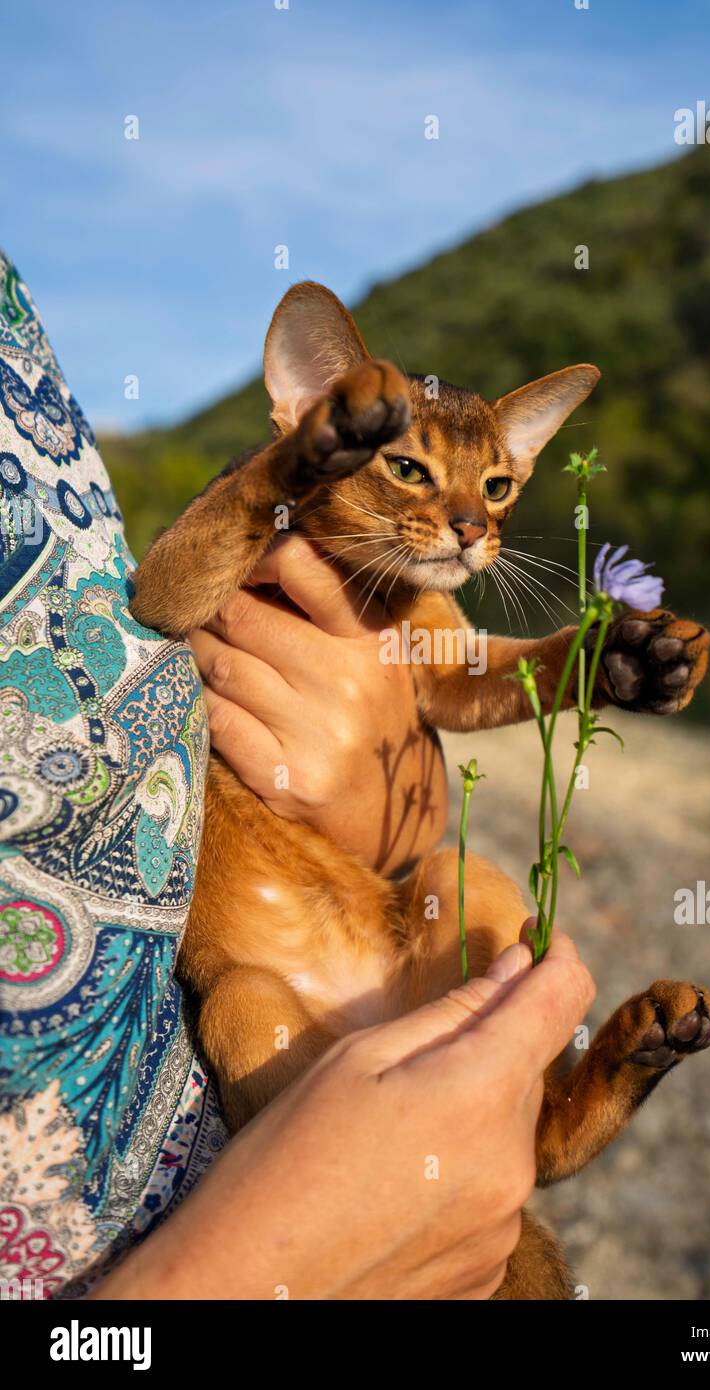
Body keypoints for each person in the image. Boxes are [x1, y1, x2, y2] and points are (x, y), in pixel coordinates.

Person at [0, 254, 594, 1300]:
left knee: (473, 889)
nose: (468, 521)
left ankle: (555, 1114)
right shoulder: (264, 503)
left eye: (495, 487)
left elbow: (457, 682)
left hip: (349, 942)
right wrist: (284, 477)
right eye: (410, 469)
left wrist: (580, 659)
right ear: (302, 413)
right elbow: (172, 588)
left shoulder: (410, 580)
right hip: (240, 1086)